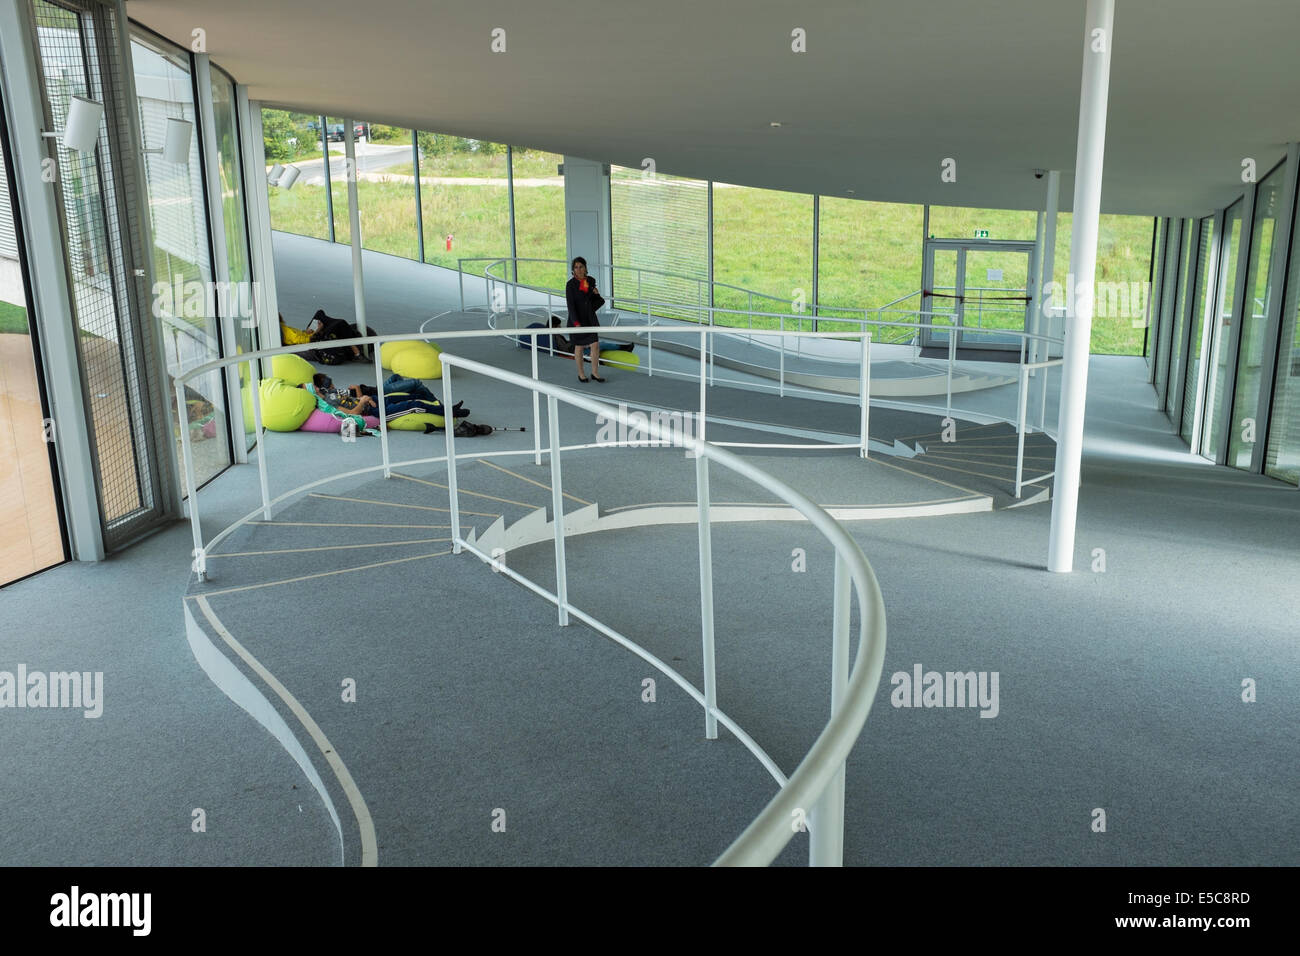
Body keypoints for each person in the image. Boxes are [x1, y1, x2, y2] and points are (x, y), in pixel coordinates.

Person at [565, 256, 606, 382]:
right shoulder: (570, 285)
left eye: (581, 267)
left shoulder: (591, 281)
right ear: (573, 270)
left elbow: (594, 302)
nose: (578, 270)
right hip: (577, 320)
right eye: (576, 267)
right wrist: (576, 323)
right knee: (579, 347)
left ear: (585, 268)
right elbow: (570, 305)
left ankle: (595, 373)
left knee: (595, 345)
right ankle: (581, 374)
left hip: (589, 319)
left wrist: (596, 294)